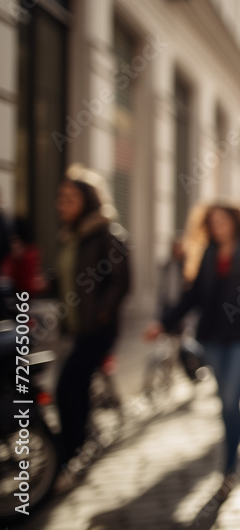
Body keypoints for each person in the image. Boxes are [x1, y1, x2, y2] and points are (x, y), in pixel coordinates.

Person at [144, 202, 240, 482]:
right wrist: (164, 323)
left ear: (235, 222)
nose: (217, 227)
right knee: (224, 400)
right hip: (211, 337)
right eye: (212, 222)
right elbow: (192, 297)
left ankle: (231, 465)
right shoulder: (207, 253)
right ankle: (230, 455)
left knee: (232, 399)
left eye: (222, 221)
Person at [54, 164, 131, 469]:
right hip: (76, 326)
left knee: (67, 386)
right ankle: (78, 444)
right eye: (61, 198)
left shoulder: (107, 234)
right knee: (77, 385)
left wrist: (103, 311)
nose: (62, 204)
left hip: (98, 329)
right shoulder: (71, 236)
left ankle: (71, 451)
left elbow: (121, 280)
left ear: (87, 200)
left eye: (70, 198)